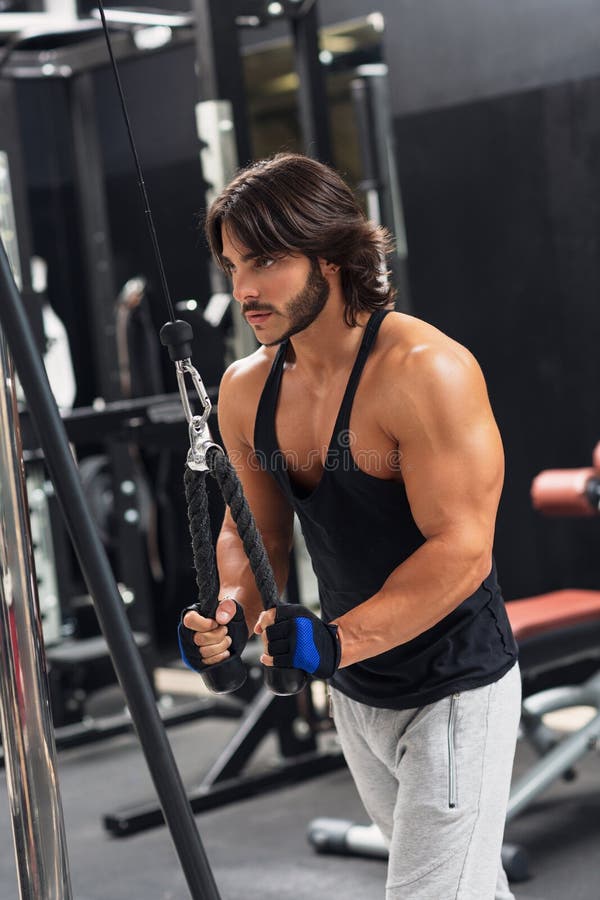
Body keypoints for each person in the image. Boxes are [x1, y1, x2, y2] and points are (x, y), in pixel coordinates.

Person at [179, 153, 521, 900]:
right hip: (355, 692)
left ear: (331, 256)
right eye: (233, 265)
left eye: (265, 259)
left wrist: (333, 642)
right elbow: (255, 533)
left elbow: (462, 549)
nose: (243, 289)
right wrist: (229, 612)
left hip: (454, 683)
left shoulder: (425, 370)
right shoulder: (247, 390)